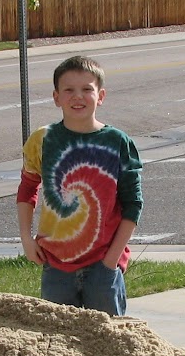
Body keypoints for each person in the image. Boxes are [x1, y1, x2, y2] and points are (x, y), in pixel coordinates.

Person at [16, 55, 143, 316]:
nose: (78, 97)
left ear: (101, 95)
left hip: (103, 265)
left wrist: (111, 261)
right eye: (69, 90)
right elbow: (27, 189)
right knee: (59, 342)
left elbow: (133, 204)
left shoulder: (118, 142)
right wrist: (27, 239)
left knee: (109, 340)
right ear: (56, 97)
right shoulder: (43, 139)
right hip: (56, 264)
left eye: (87, 89)